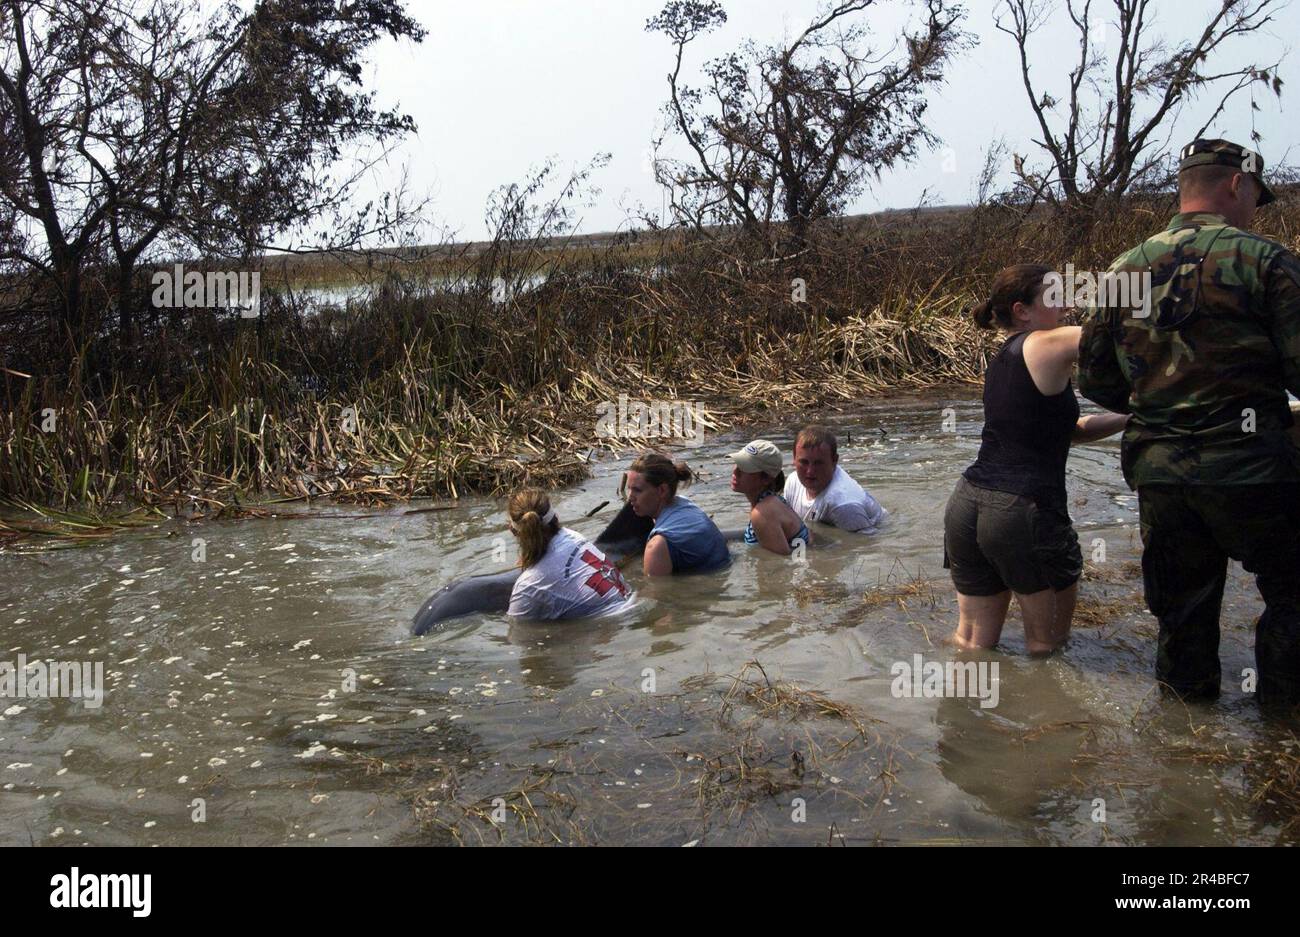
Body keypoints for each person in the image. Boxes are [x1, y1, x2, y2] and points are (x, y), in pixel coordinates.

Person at [1078, 138, 1300, 706]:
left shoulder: (1123, 269)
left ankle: (1180, 747)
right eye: (1255, 194)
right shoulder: (1266, 260)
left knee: (1181, 615)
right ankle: (1282, 736)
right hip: (1252, 471)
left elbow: (1097, 382)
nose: (1255, 207)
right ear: (1235, 184)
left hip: (1161, 476)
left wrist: (1159, 399)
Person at [944, 264, 1128, 655]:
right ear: (1022, 310)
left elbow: (1069, 431)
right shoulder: (1046, 343)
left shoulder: (1005, 357)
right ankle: (1049, 716)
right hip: (1021, 509)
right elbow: (1114, 335)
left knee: (972, 643)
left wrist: (1131, 417)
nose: (1065, 303)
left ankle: (963, 713)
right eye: (1053, 295)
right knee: (1047, 648)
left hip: (968, 505)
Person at [505, 489, 633, 620]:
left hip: (612, 628)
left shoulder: (527, 585)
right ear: (556, 517)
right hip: (632, 604)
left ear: (512, 530)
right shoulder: (572, 536)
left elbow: (519, 634)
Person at [624, 451, 730, 575]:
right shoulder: (687, 505)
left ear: (662, 490)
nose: (630, 497)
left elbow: (654, 593)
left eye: (637, 490)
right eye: (629, 489)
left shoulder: (657, 546)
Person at [784, 425, 885, 532]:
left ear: (834, 461)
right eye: (804, 462)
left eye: (818, 463)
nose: (810, 471)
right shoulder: (792, 482)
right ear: (794, 459)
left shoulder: (844, 506)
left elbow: (867, 544)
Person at [728, 439, 810, 556]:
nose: (736, 472)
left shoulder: (763, 512)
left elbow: (779, 563)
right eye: (737, 463)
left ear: (766, 478)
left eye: (744, 467)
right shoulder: (769, 502)